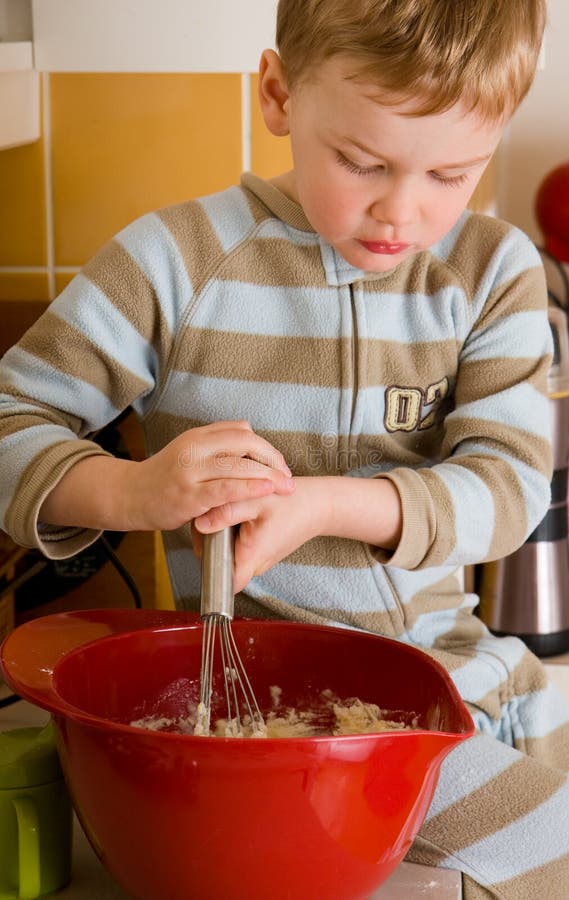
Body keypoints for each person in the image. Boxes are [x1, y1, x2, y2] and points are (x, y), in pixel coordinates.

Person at [1, 0, 568, 895]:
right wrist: (133, 491)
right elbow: (9, 419)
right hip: (273, 725)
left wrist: (322, 505)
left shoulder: (491, 271)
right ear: (278, 94)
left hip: (468, 674)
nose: (402, 211)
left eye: (451, 173)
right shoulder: (175, 262)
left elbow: (507, 490)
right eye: (361, 161)